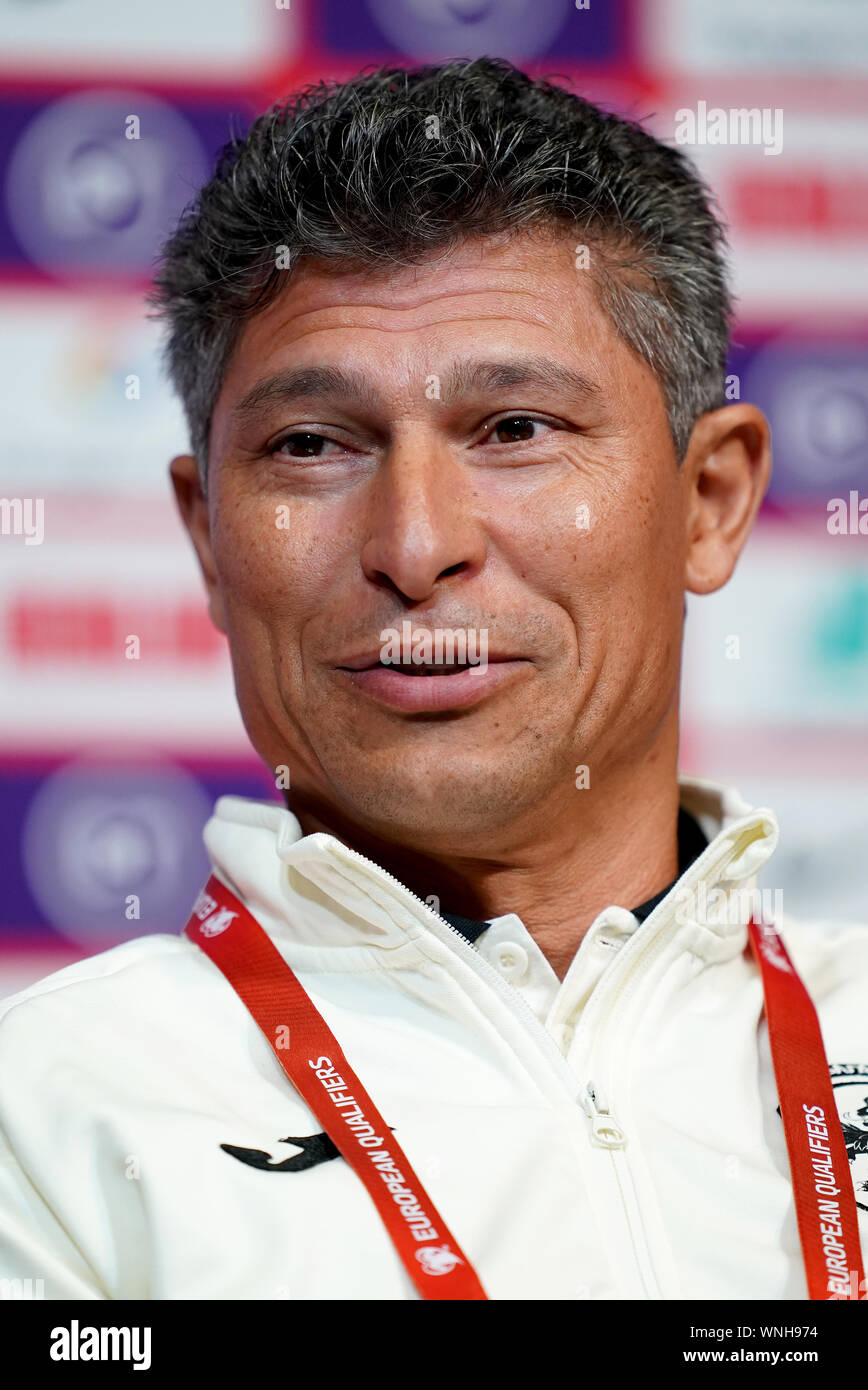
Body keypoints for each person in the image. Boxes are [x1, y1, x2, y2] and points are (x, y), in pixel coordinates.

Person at [1, 58, 865, 1302]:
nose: (415, 546)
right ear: (206, 540)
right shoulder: (43, 1113)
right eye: (311, 445)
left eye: (514, 428)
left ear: (709, 500)